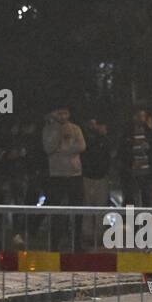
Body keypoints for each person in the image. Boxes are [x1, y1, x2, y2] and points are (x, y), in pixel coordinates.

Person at [41, 104, 85, 251]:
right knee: (56, 211)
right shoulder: (48, 129)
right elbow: (49, 148)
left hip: (75, 175)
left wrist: (63, 150)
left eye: (65, 113)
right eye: (59, 114)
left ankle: (77, 243)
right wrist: (57, 132)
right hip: (57, 175)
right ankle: (54, 243)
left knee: (78, 210)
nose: (63, 117)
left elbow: (81, 146)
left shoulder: (75, 128)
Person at [79, 115, 114, 246]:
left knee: (100, 208)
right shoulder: (85, 138)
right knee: (87, 207)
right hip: (88, 177)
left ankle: (99, 235)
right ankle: (87, 235)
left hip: (101, 177)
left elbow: (108, 157)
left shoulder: (104, 140)